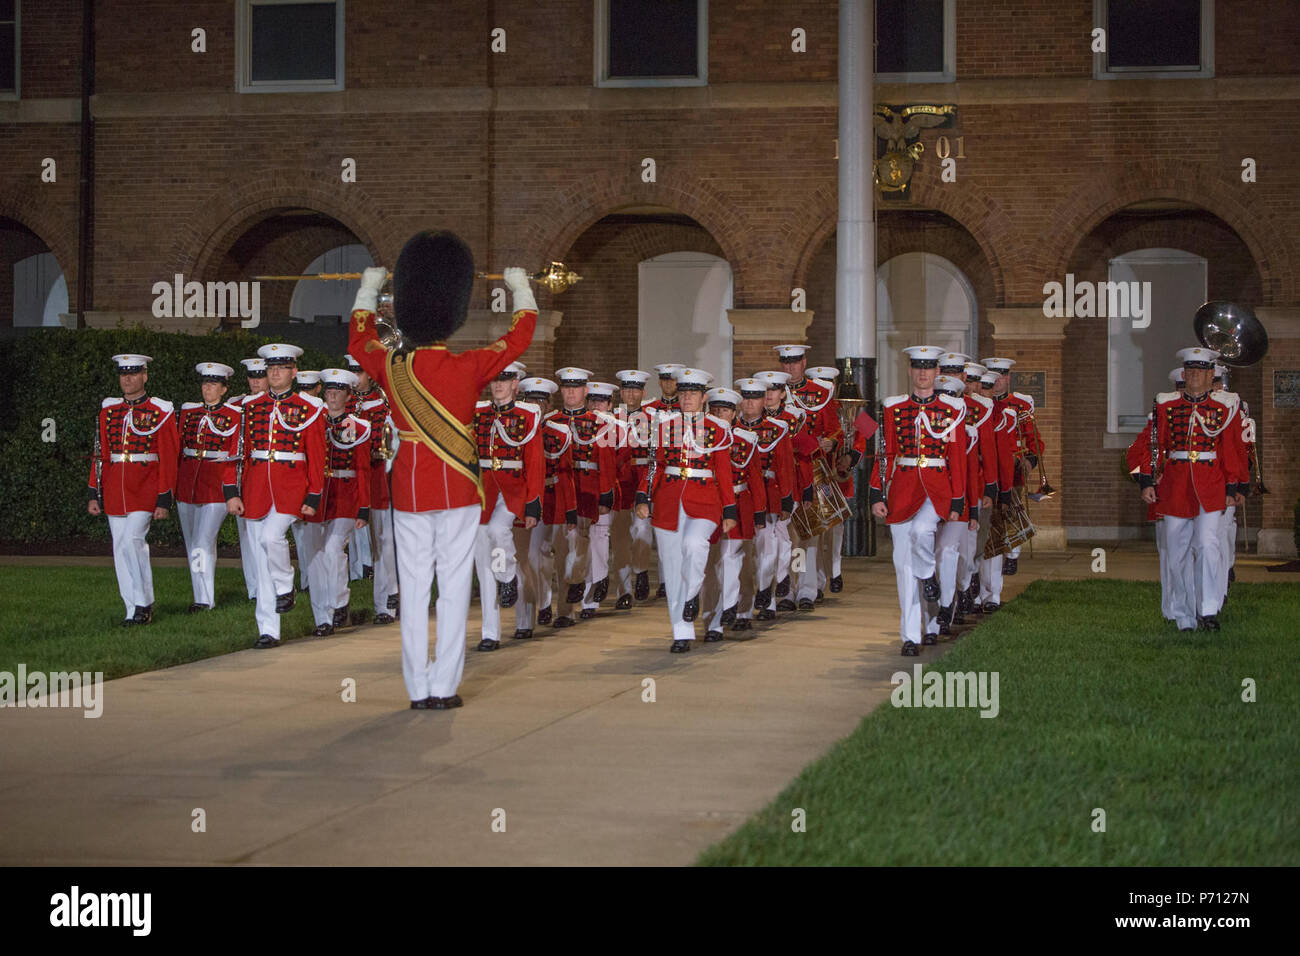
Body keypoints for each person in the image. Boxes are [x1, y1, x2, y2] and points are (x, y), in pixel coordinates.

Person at [348, 231, 536, 710]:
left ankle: (416, 689)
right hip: (457, 491)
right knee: (454, 590)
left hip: (410, 490)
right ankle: (444, 687)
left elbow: (358, 339)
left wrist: (369, 290)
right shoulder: (470, 365)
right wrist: (521, 289)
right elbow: (521, 337)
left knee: (413, 593)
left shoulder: (393, 367)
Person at [1139, 347, 1248, 632]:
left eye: (1201, 370)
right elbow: (1154, 445)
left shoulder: (1223, 408)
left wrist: (1233, 486)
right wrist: (1147, 480)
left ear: (1211, 375)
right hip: (1176, 485)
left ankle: (1209, 609)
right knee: (1176, 552)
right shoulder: (1166, 406)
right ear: (1184, 374)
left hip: (1211, 484)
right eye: (1191, 370)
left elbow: (1232, 449)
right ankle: (1183, 614)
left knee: (1209, 545)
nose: (1195, 375)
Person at [225, 343, 326, 649]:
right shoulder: (250, 407)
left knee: (271, 539)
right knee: (259, 558)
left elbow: (317, 455)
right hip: (255, 489)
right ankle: (268, 629)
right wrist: (231, 491)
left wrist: (315, 494)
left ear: (294, 372)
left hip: (291, 488)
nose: (275, 374)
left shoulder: (310, 408)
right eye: (271, 369)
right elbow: (235, 452)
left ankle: (285, 585)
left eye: (281, 368)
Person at [869, 346, 966, 656]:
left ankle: (928, 576)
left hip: (936, 488)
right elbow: (885, 453)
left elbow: (958, 459)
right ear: (909, 371)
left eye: (929, 367)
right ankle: (912, 635)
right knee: (901, 564)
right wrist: (876, 492)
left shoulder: (952, 409)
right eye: (917, 367)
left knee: (922, 531)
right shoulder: (893, 407)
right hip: (902, 488)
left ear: (938, 372)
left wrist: (959, 500)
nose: (923, 373)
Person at [636, 368, 738, 653]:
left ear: (704, 397)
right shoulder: (664, 426)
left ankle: (692, 594)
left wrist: (729, 510)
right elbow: (654, 466)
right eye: (683, 393)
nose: (687, 398)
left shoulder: (718, 429)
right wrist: (643, 496)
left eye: (692, 393)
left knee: (695, 545)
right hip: (668, 500)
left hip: (704, 500)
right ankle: (681, 632)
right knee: (671, 565)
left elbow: (724, 472)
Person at [88, 354, 179, 626]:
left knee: (132, 541)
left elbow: (169, 455)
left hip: (145, 486)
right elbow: (100, 453)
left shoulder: (160, 411)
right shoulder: (109, 411)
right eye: (123, 374)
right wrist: (94, 490)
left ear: (145, 376)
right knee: (120, 547)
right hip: (115, 486)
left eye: (134, 373)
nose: (127, 379)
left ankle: (143, 602)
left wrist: (165, 496)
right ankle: (131, 608)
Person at [472, 361, 544, 651]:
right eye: (495, 380)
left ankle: (508, 577)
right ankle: (490, 632)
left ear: (516, 384)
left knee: (498, 531)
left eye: (505, 380)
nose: (498, 385)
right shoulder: (478, 413)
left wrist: (534, 503)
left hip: (514, 490)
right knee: (482, 563)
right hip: (482, 492)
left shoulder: (528, 415)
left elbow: (536, 462)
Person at [774, 345, 843, 610]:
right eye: (785, 363)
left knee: (809, 534)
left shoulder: (820, 392)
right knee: (787, 536)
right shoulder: (773, 392)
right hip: (784, 472)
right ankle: (789, 589)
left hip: (813, 469)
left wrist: (829, 443)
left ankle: (807, 589)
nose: (789, 368)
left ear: (803, 362)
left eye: (794, 363)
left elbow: (836, 430)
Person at [306, 368, 371, 637]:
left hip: (345, 493)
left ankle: (340, 601)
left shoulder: (359, 427)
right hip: (319, 495)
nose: (332, 395)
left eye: (339, 390)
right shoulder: (311, 421)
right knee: (316, 557)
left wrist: (363, 507)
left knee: (333, 549)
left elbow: (364, 469)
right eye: (329, 390)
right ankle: (322, 616)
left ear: (348, 395)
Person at [700, 387, 767, 641]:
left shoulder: (746, 439)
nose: (720, 415)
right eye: (715, 410)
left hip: (739, 503)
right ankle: (716, 615)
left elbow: (756, 478)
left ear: (734, 413)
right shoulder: (701, 437)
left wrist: (759, 512)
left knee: (738, 559)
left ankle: (741, 610)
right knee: (712, 563)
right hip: (710, 503)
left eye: (725, 411)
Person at [552, 367, 617, 625]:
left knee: (588, 546)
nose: (570, 391)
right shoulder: (551, 421)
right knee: (568, 548)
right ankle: (567, 605)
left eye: (575, 387)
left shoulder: (601, 424)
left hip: (588, 488)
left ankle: (589, 600)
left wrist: (605, 496)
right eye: (566, 387)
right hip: (561, 491)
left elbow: (607, 463)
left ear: (585, 391)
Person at [176, 362, 241, 612]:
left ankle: (204, 599)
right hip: (189, 482)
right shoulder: (189, 413)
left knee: (203, 541)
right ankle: (200, 595)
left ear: (224, 389)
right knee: (194, 544)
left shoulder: (234, 416)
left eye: (213, 384)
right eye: (205, 383)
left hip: (216, 484)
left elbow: (234, 452)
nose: (207, 388)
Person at [517, 376, 575, 633]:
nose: (536, 406)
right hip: (530, 500)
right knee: (533, 556)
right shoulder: (516, 429)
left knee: (562, 556)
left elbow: (568, 472)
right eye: (531, 400)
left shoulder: (559, 431)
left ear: (548, 404)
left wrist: (570, 507)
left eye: (541, 401)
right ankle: (541, 606)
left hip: (555, 496)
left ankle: (565, 609)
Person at [735, 376, 795, 623]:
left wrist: (786, 499)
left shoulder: (776, 429)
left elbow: (785, 466)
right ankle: (744, 608)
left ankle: (766, 599)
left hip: (768, 495)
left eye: (755, 398)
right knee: (741, 554)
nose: (750, 403)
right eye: (746, 398)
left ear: (763, 401)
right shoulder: (731, 428)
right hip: (740, 496)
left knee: (767, 551)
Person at [932, 374, 985, 636]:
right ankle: (942, 609)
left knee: (956, 553)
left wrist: (972, 508)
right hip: (932, 502)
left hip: (958, 502)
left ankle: (956, 596)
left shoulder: (967, 431)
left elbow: (970, 471)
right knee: (937, 554)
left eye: (950, 397)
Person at [982, 356, 1043, 577]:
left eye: (1002, 375)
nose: (997, 380)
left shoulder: (1020, 404)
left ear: (1008, 378)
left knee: (1012, 505)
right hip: (986, 463)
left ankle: (1013, 553)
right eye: (993, 376)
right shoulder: (980, 403)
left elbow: (1033, 438)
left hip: (1013, 462)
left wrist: (1029, 461)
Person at [348, 355, 398, 624]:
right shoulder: (345, 403)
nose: (356, 377)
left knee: (384, 541)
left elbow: (393, 440)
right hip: (351, 477)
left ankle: (387, 602)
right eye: (353, 371)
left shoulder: (385, 403)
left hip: (379, 476)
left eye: (360, 372)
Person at [613, 370, 654, 604]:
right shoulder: (612, 418)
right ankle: (623, 591)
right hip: (619, 481)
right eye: (627, 389)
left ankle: (641, 572)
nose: (631, 394)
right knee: (619, 537)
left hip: (642, 478)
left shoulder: (653, 419)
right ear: (621, 392)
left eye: (635, 389)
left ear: (643, 392)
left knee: (641, 530)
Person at [233, 357, 269, 601]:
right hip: (244, 476)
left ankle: (270, 584)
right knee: (246, 535)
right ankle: (254, 588)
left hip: (266, 474)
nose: (255, 381)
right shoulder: (237, 405)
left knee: (267, 535)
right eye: (252, 377)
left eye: (260, 376)